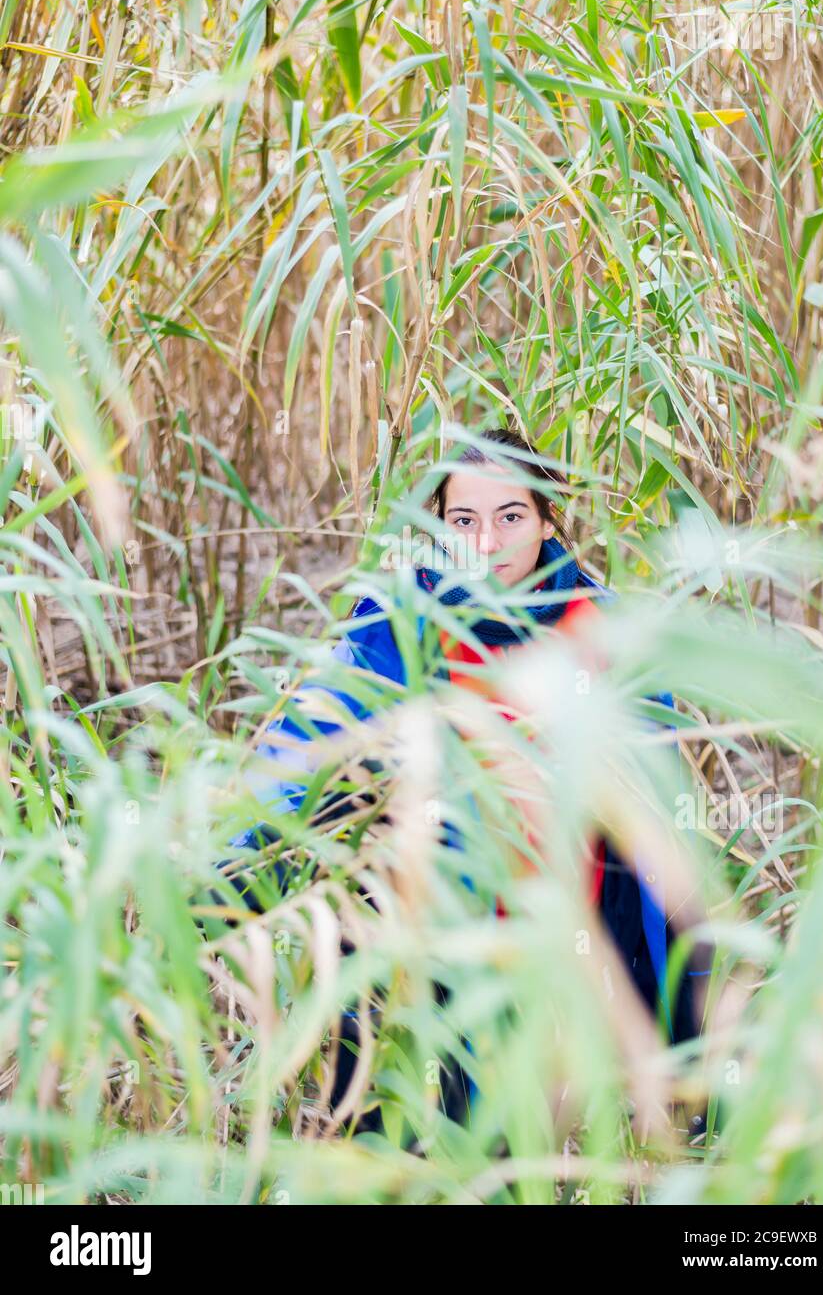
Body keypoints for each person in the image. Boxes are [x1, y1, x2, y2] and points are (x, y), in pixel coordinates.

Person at [223, 429, 706, 1134]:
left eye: (511, 517)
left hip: (559, 944)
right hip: (424, 947)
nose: (487, 543)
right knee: (406, 1137)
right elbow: (302, 747)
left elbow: (661, 787)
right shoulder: (396, 627)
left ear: (547, 521)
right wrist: (225, 862)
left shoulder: (602, 631)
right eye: (462, 521)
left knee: (519, 1149)